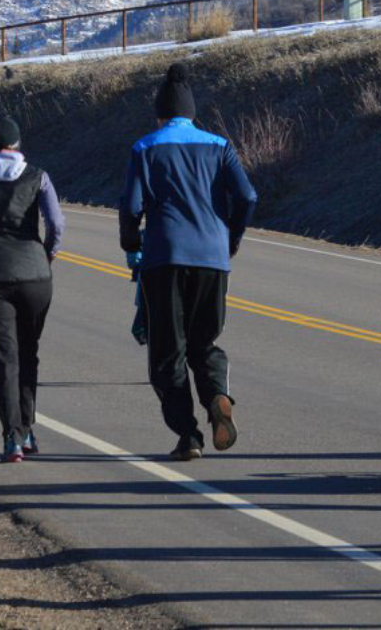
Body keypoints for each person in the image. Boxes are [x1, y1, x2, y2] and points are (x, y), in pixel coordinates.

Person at [119, 62, 257, 462]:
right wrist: (230, 236)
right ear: (192, 113)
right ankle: (217, 397)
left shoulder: (145, 148)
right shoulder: (220, 146)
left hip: (165, 260)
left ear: (160, 113)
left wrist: (131, 241)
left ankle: (188, 435)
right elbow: (247, 196)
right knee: (205, 343)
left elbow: (131, 206)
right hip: (213, 260)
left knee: (168, 353)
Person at [0, 117, 63, 462]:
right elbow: (56, 224)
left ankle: (12, 438)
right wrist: (46, 251)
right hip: (35, 277)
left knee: (5, 360)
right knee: (29, 352)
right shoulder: (39, 176)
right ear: (17, 144)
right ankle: (28, 427)